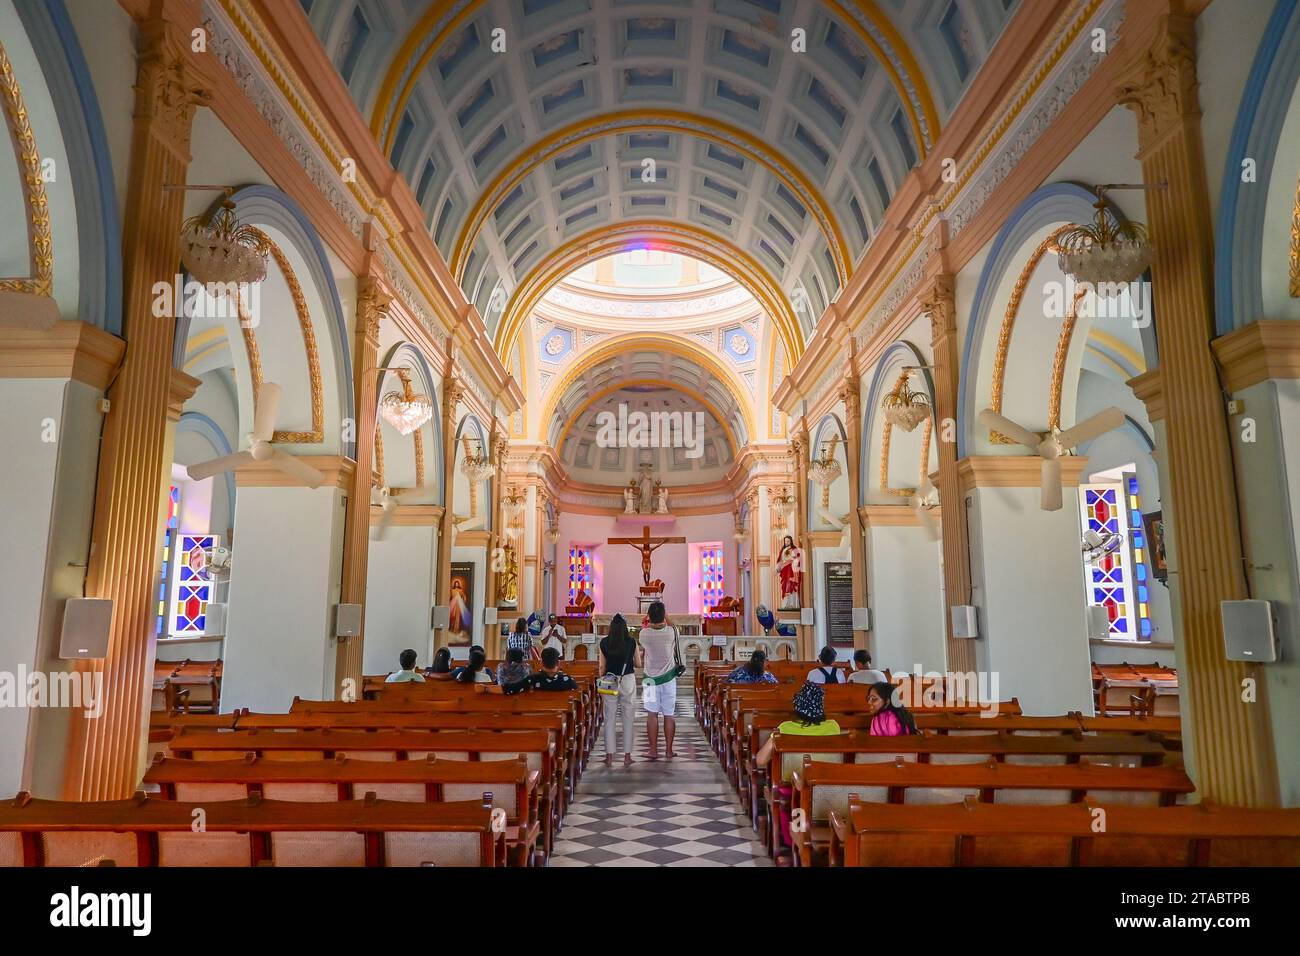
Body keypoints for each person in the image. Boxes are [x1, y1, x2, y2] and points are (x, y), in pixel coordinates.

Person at [753, 682, 843, 853]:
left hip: (792, 788)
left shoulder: (785, 728)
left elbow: (760, 760)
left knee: (793, 796)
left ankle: (793, 838)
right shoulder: (833, 726)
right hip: (826, 786)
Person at [638, 601, 680, 759]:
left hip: (650, 680)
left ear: (649, 616)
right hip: (669, 678)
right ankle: (669, 750)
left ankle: (653, 750)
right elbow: (673, 625)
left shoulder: (644, 634)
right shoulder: (671, 632)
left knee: (651, 715)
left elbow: (644, 633)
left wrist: (647, 620)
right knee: (669, 715)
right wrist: (665, 615)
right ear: (663, 615)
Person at [598, 613, 638, 766]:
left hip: (609, 680)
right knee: (628, 718)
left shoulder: (604, 643)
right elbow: (638, 664)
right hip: (627, 679)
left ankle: (609, 756)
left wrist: (600, 678)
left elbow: (601, 667)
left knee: (609, 718)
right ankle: (627, 756)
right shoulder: (631, 642)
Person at [503, 647, 577, 694]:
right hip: (562, 717)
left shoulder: (532, 679)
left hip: (536, 717)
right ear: (558, 663)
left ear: (542, 662)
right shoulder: (568, 680)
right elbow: (580, 698)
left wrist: (491, 689)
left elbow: (511, 689)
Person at [776, 535, 803, 610]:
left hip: (791, 570)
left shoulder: (794, 549)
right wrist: (778, 567)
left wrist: (791, 561)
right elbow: (780, 560)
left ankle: (793, 604)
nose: (786, 542)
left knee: (791, 585)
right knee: (785, 586)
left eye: (788, 541)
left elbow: (797, 559)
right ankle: (786, 604)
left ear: (791, 541)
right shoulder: (783, 550)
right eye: (785, 541)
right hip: (785, 570)